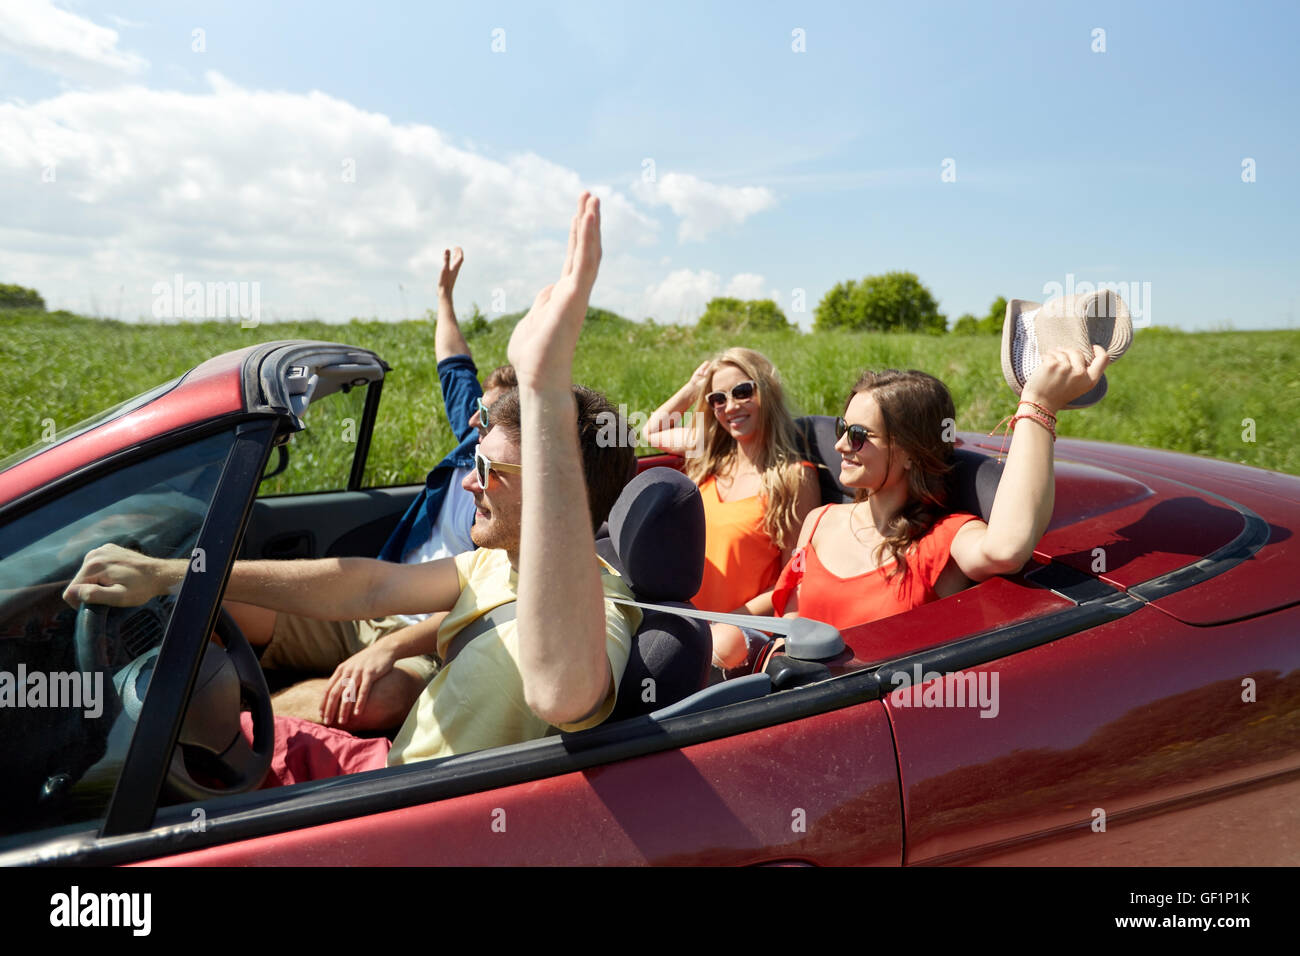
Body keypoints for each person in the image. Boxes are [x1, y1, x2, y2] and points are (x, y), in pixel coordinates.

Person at [64, 192, 641, 773]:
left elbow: (562, 693)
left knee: (187, 748)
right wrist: (173, 574)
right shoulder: (498, 561)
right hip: (382, 768)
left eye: (488, 469)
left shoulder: (600, 611)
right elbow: (369, 588)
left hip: (389, 809)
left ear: (551, 488)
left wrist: (543, 390)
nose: (469, 484)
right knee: (199, 730)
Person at [226, 247, 516, 732]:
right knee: (217, 604)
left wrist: (391, 647)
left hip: (436, 640)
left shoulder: (522, 509)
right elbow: (455, 365)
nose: (473, 421)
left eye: (490, 418)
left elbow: (487, 606)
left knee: (365, 701)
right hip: (379, 604)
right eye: (479, 412)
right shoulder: (473, 438)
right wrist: (444, 295)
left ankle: (217, 733)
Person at [771, 349, 1111, 632]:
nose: (841, 444)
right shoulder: (819, 521)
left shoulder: (943, 540)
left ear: (908, 452)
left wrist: (1038, 405)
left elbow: (1007, 549)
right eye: (841, 427)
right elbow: (792, 618)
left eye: (859, 435)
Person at [644, 349, 820, 669]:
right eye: (718, 399)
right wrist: (693, 387)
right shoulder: (712, 455)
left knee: (717, 648)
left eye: (742, 392)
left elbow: (793, 578)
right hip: (691, 618)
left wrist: (726, 621)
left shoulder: (793, 477)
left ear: (767, 391)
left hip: (742, 630)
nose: (731, 407)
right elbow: (652, 431)